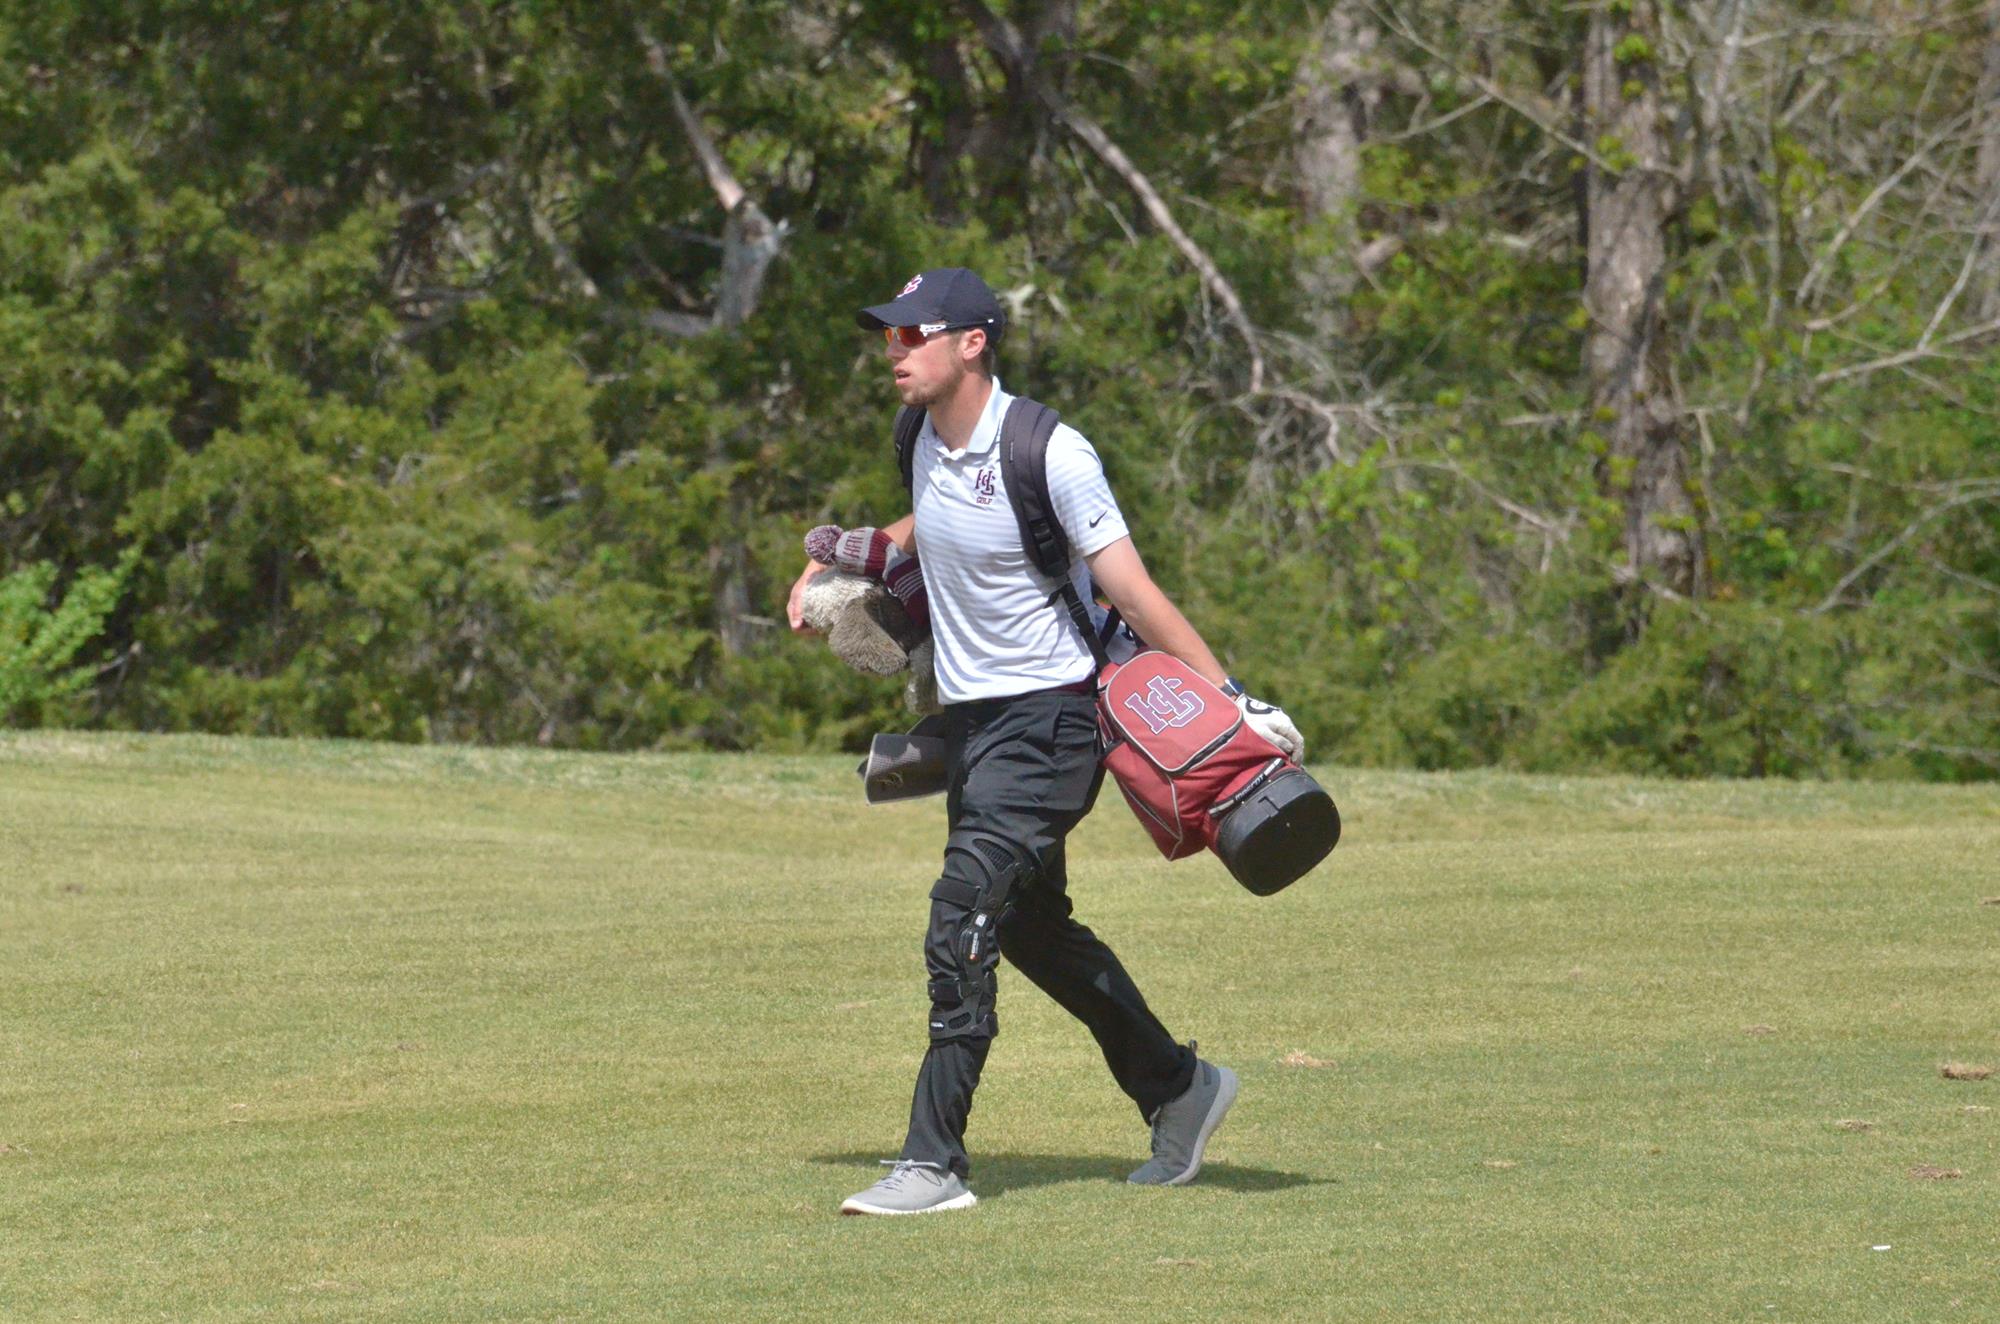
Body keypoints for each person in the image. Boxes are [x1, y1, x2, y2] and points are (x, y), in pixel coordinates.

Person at [786, 267, 1304, 1216]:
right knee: (1028, 927)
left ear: (972, 343)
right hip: (974, 727)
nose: (894, 352)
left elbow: (1131, 589)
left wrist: (1229, 698)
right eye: (890, 337)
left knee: (961, 918)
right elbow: (934, 516)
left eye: (913, 335)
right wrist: (855, 558)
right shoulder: (919, 437)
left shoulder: (1051, 451)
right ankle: (1178, 1087)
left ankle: (932, 1164)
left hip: (1054, 723)